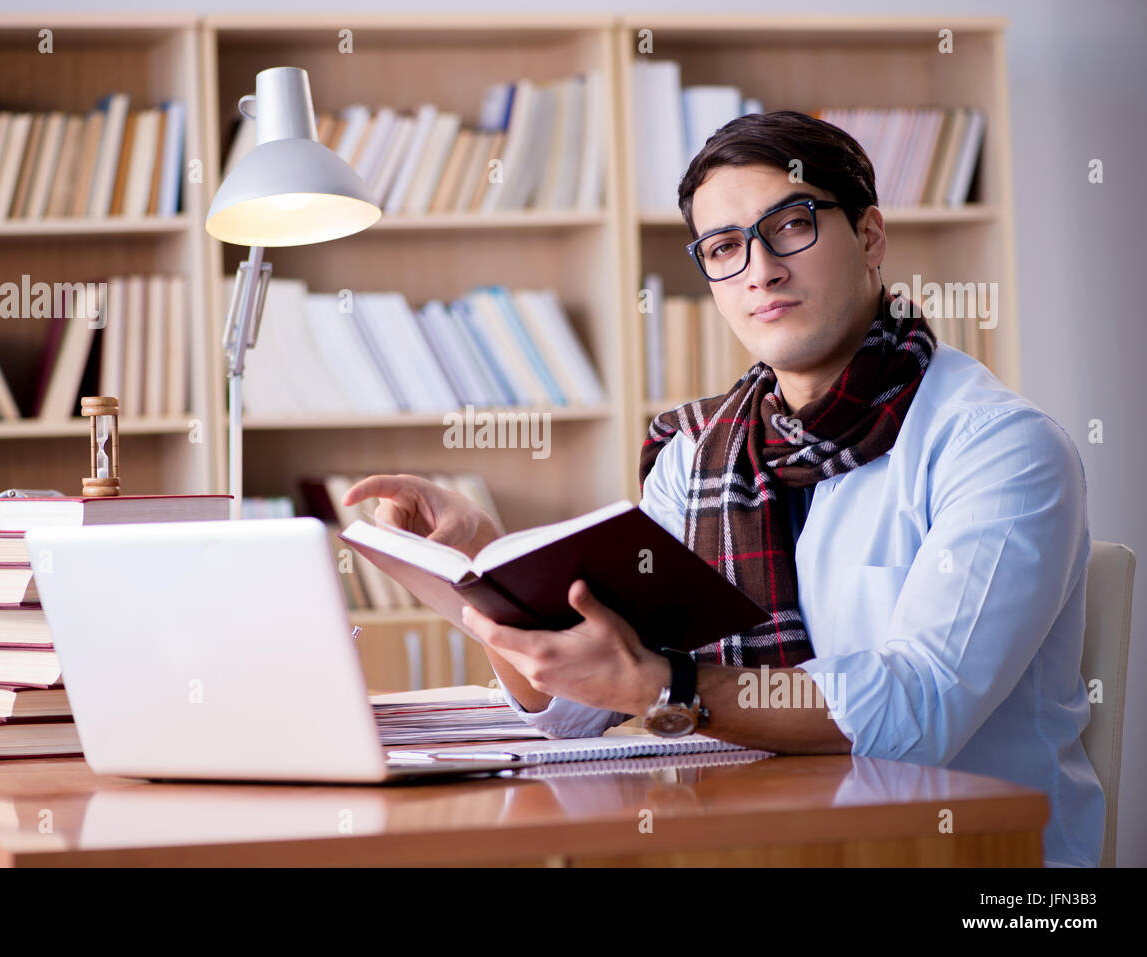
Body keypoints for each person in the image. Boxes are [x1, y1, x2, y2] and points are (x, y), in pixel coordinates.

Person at [343, 111, 1103, 867]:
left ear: (870, 237)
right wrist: (488, 567)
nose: (760, 269)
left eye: (792, 225)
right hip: (758, 844)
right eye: (725, 247)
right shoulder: (698, 457)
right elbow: (574, 707)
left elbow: (918, 707)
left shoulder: (1001, 447)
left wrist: (669, 684)